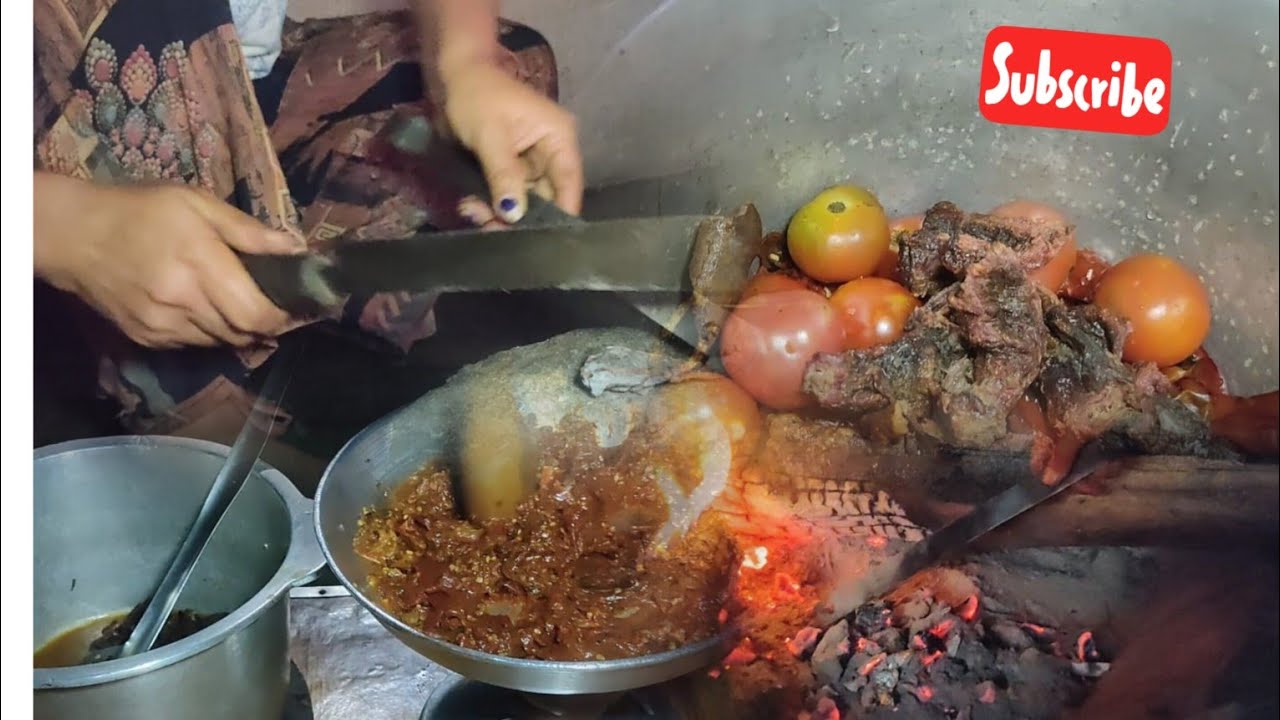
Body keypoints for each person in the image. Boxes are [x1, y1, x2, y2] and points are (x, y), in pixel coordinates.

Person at [33, 0, 584, 483]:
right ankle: (183, 395)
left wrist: (466, 63)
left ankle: (312, 302)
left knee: (517, 60)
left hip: (229, 71)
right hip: (70, 134)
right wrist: (70, 231)